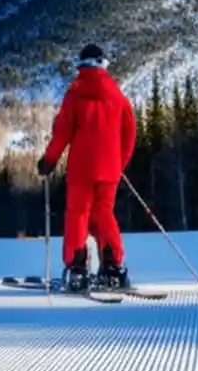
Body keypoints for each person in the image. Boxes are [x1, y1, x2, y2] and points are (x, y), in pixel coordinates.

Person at [36, 44, 137, 290]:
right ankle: (113, 267)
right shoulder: (119, 97)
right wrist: (118, 164)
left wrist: (49, 161)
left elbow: (62, 133)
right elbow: (129, 135)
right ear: (103, 64)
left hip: (81, 168)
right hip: (110, 169)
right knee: (103, 213)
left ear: (82, 65)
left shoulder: (75, 94)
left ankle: (77, 267)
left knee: (78, 214)